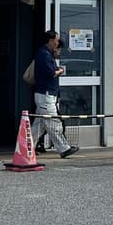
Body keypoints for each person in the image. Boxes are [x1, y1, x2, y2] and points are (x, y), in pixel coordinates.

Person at [32, 30, 78, 158]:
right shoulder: (44, 54)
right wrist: (60, 70)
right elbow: (50, 73)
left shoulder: (46, 53)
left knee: (39, 125)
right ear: (50, 40)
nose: (58, 43)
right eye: (57, 40)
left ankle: (26, 147)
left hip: (45, 95)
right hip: (46, 95)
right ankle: (64, 149)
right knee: (54, 122)